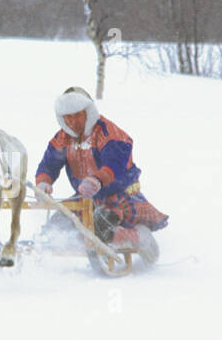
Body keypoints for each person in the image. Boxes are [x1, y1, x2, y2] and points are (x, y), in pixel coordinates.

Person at [34, 86, 168, 262]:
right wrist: (43, 182)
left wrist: (97, 179)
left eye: (77, 115)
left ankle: (139, 236)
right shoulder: (62, 139)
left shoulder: (109, 133)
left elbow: (114, 164)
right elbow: (49, 164)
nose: (73, 122)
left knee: (100, 226)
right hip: (85, 199)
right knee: (55, 229)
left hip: (119, 195)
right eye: (68, 117)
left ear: (88, 112)